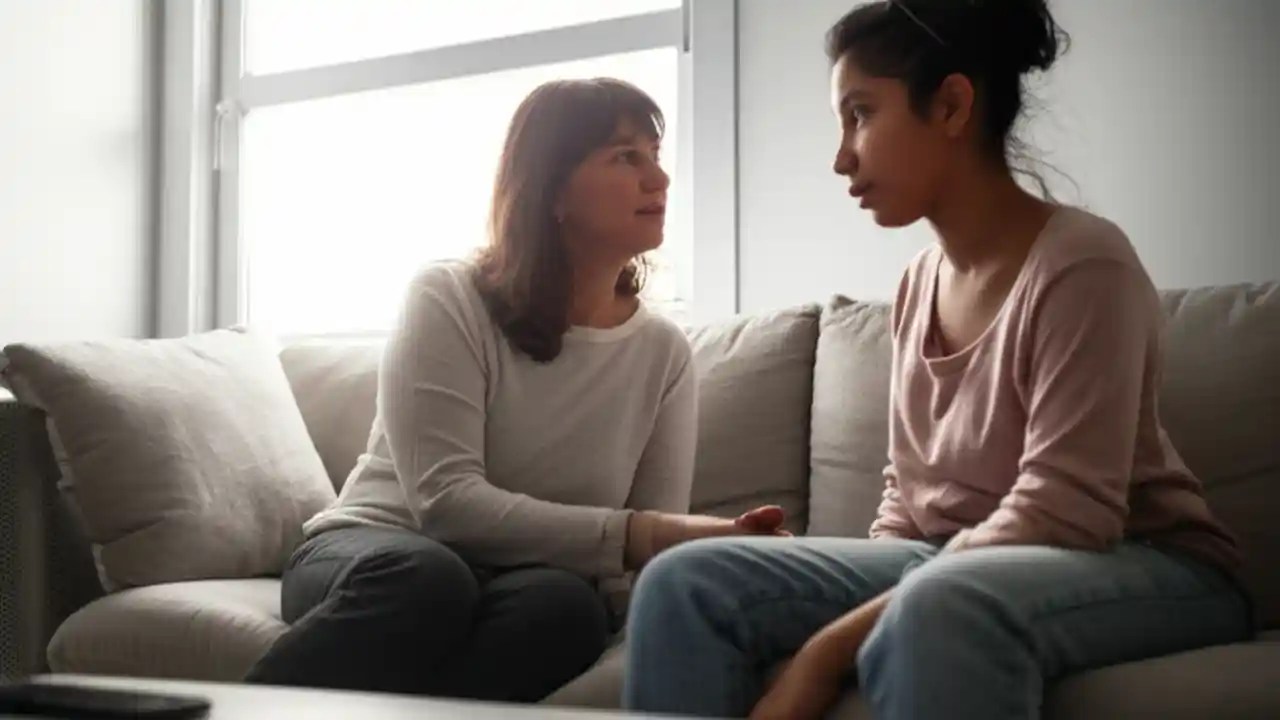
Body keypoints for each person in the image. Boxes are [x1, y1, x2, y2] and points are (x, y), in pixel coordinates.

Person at [622, 2, 1253, 718]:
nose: (841, 157)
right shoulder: (919, 283)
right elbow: (910, 497)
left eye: (860, 114)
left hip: (1150, 563)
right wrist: (855, 581)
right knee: (684, 582)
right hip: (954, 562)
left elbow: (1069, 513)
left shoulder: (1083, 264)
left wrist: (827, 648)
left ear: (951, 106)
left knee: (939, 605)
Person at [243, 78, 787, 702]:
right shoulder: (449, 297)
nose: (659, 181)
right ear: (552, 190)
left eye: (656, 157)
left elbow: (631, 572)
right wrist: (661, 534)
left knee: (565, 610)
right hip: (377, 551)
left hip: (519, 581)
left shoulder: (662, 352)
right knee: (431, 581)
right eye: (625, 156)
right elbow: (445, 502)